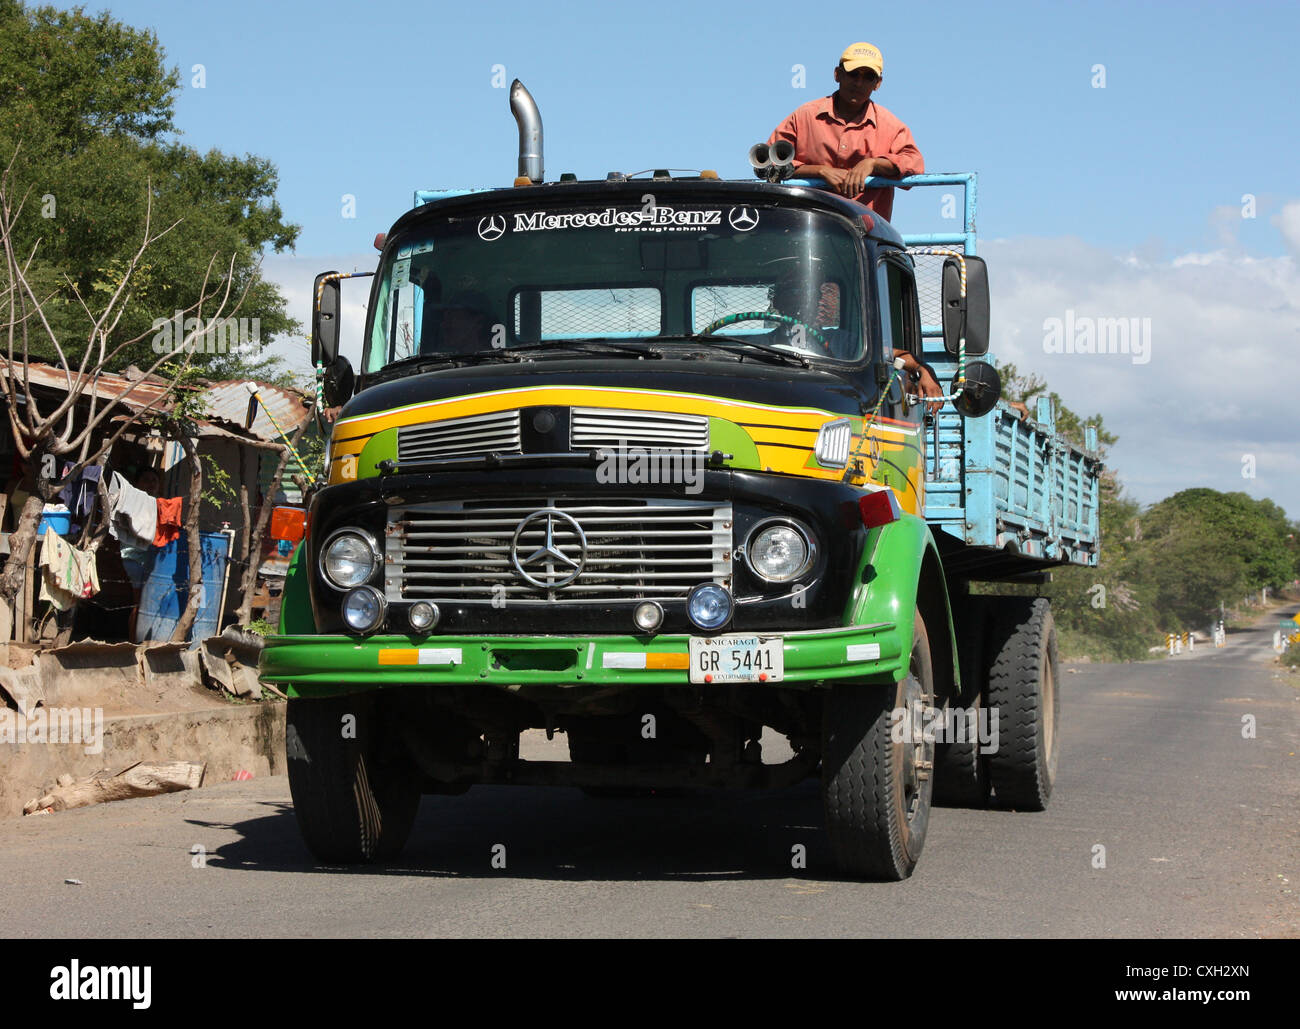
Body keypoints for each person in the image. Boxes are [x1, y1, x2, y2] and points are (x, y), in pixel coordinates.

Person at [767, 42, 924, 223]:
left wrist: (873, 164)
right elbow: (768, 164)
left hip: (866, 237)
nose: (858, 83)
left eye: (868, 77)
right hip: (806, 227)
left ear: (878, 83)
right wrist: (820, 171)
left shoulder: (891, 126)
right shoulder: (804, 117)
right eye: (853, 74)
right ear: (837, 74)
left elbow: (914, 163)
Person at [765, 277, 944, 412]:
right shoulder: (759, 345)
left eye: (810, 297)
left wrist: (925, 372)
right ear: (778, 303)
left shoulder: (844, 342)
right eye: (794, 295)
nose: (805, 304)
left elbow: (896, 355)